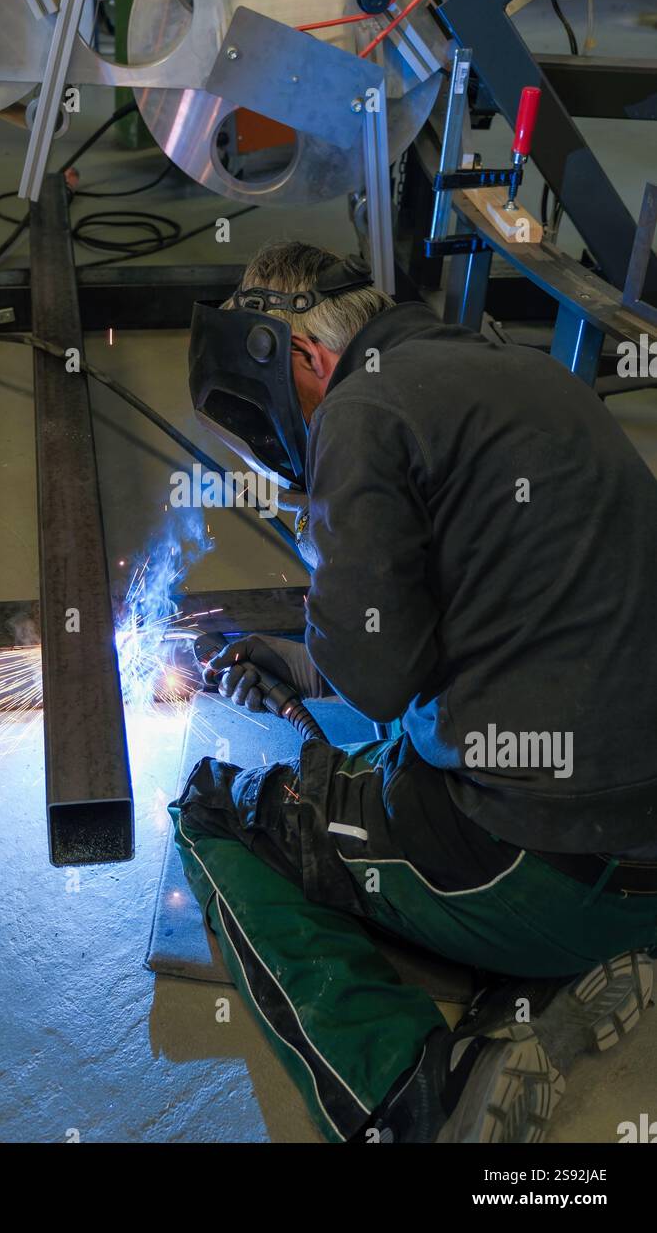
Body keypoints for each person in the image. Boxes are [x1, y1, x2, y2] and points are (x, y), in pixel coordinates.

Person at [172, 239, 657, 1144]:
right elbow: (493, 607)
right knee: (386, 748)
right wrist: (301, 661)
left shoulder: (361, 411)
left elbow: (381, 676)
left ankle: (412, 1095)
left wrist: (330, 644)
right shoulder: (524, 372)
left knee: (216, 811)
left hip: (546, 869)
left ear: (308, 358)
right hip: (643, 845)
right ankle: (555, 970)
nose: (290, 444)